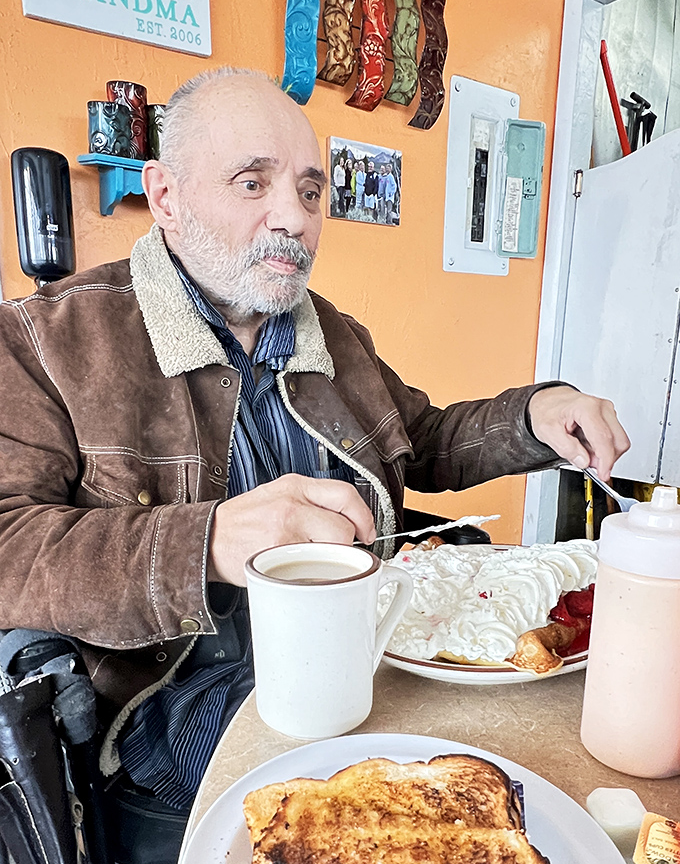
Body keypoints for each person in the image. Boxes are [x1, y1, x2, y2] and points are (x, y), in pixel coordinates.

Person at [0, 66, 629, 808]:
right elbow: (11, 545)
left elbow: (422, 439)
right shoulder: (46, 341)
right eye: (251, 183)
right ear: (166, 196)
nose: (293, 218)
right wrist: (206, 541)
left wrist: (534, 414)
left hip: (375, 641)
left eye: (308, 190)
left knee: (525, 739)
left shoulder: (331, 334)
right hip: (183, 691)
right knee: (390, 799)